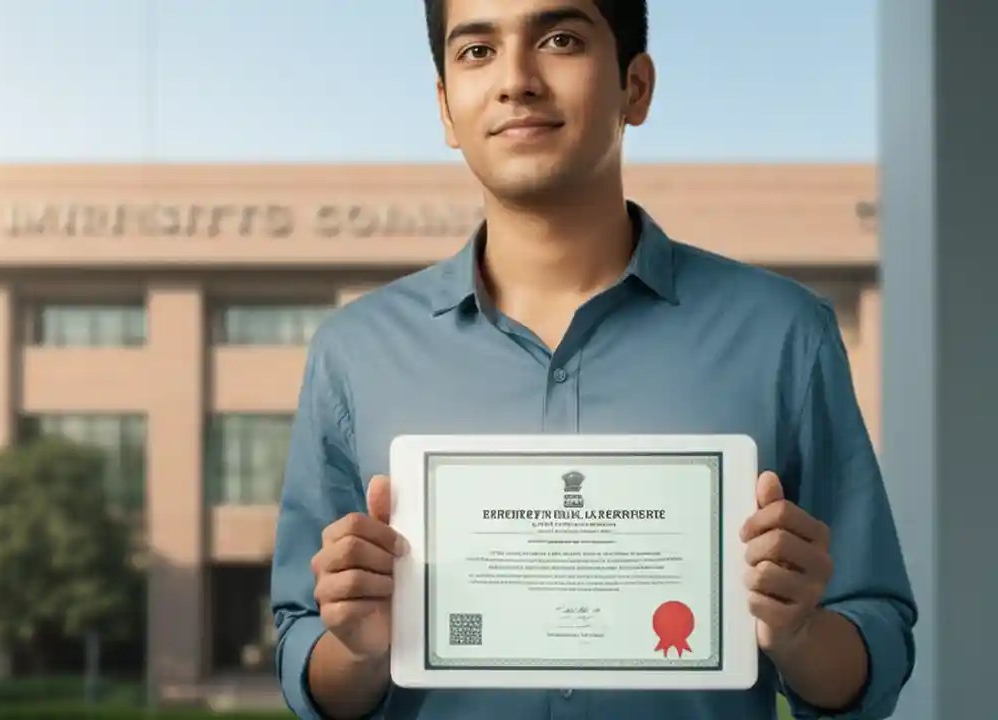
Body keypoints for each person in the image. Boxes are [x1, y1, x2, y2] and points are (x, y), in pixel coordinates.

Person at [269, 0, 917, 718]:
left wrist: (798, 633)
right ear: (447, 109)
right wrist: (360, 648)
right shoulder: (354, 354)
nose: (516, 80)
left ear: (634, 87)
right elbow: (305, 654)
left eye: (560, 39)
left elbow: (873, 651)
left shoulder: (783, 335)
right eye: (477, 52)